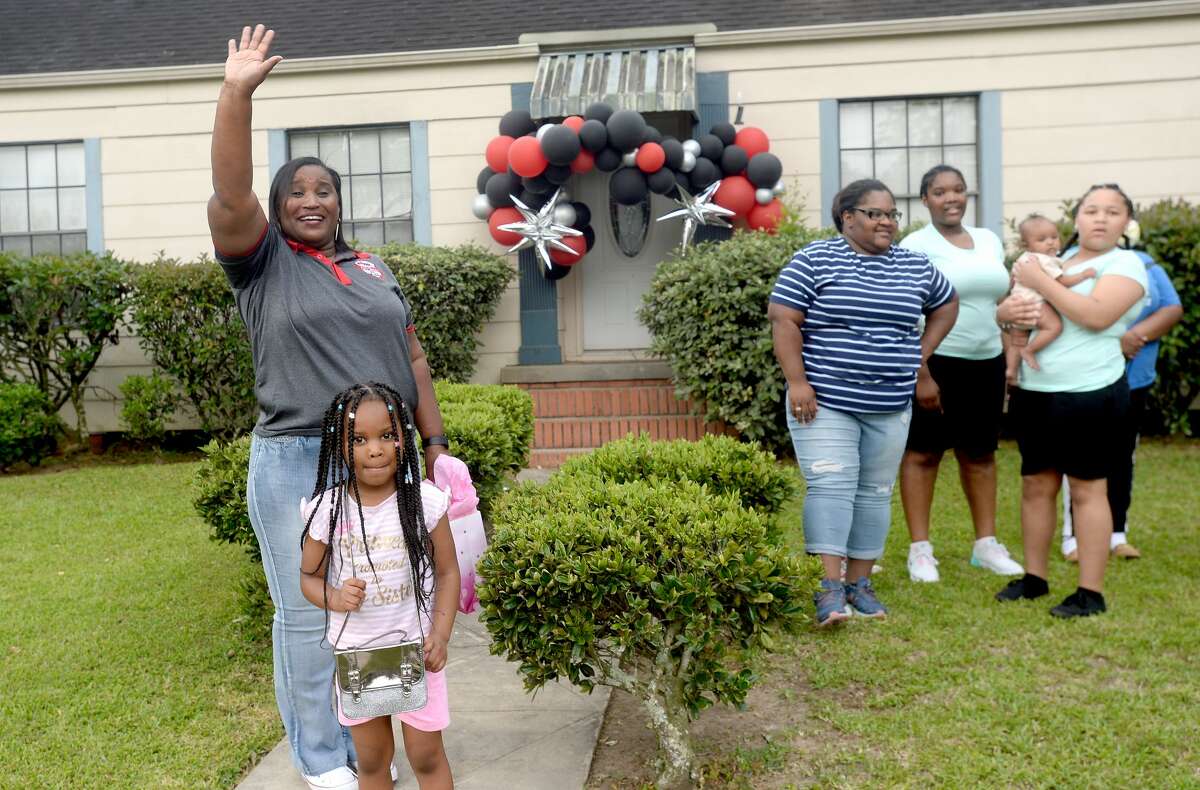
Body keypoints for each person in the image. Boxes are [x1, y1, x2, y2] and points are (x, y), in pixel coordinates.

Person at [208, 25, 450, 789]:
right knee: (312, 613)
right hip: (296, 459)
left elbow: (411, 355)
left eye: (324, 189)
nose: (312, 199)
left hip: (384, 457)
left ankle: (375, 747)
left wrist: (435, 441)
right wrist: (236, 95)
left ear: (339, 203)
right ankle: (325, 762)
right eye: (296, 191)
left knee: (381, 602)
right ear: (277, 208)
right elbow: (230, 194)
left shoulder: (371, 266)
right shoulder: (261, 264)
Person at [769, 179, 959, 626]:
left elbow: (947, 304)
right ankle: (828, 591)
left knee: (874, 493)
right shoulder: (814, 260)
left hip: (890, 402)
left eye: (892, 214)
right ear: (847, 217)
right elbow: (784, 319)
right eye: (876, 213)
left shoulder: (914, 265)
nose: (887, 222)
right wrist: (797, 381)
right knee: (832, 486)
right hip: (825, 399)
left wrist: (919, 354)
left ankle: (859, 585)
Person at [995, 183, 1148, 618]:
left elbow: (1096, 317)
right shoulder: (1056, 263)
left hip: (1091, 395)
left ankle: (1089, 592)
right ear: (1076, 218)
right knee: (1036, 485)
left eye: (1113, 211)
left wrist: (1038, 279)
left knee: (1086, 489)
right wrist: (1004, 316)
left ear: (1125, 222)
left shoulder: (1126, 265)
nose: (1100, 218)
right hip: (1036, 392)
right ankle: (1035, 578)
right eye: (1091, 210)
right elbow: (1014, 312)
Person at [301, 383, 458, 790]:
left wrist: (440, 634)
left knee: (426, 756)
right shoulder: (328, 510)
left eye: (387, 435)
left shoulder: (424, 503)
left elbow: (446, 572)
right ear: (340, 446)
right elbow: (307, 577)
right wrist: (333, 596)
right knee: (373, 762)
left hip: (416, 653)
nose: (375, 448)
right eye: (359, 438)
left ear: (404, 437)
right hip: (359, 658)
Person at [897, 165, 1023, 583]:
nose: (950, 197)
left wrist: (1009, 355)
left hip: (985, 361)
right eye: (939, 191)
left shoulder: (988, 239)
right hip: (937, 361)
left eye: (958, 190)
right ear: (925, 199)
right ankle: (920, 551)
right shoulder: (915, 244)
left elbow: (999, 302)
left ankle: (985, 546)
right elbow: (906, 313)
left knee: (981, 453)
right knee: (923, 453)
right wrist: (921, 373)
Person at [1061, 247, 1183, 561]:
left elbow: (1171, 308)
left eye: (1113, 212)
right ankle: (1072, 536)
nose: (1102, 219)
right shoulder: (1070, 259)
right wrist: (1116, 339)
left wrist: (1136, 335)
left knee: (1122, 454)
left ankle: (1117, 533)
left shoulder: (1145, 261)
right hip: (1083, 376)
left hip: (1134, 377)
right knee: (1079, 455)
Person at [1003, 215, 1097, 384]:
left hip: (1017, 307)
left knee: (1017, 341)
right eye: (1042, 239)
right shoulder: (1044, 260)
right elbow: (1062, 282)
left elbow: (1011, 282)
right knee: (1054, 326)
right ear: (1027, 245)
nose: (1050, 242)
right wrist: (1083, 275)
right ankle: (1031, 350)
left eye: (1054, 237)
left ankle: (1011, 370)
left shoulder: (1022, 258)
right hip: (1034, 305)